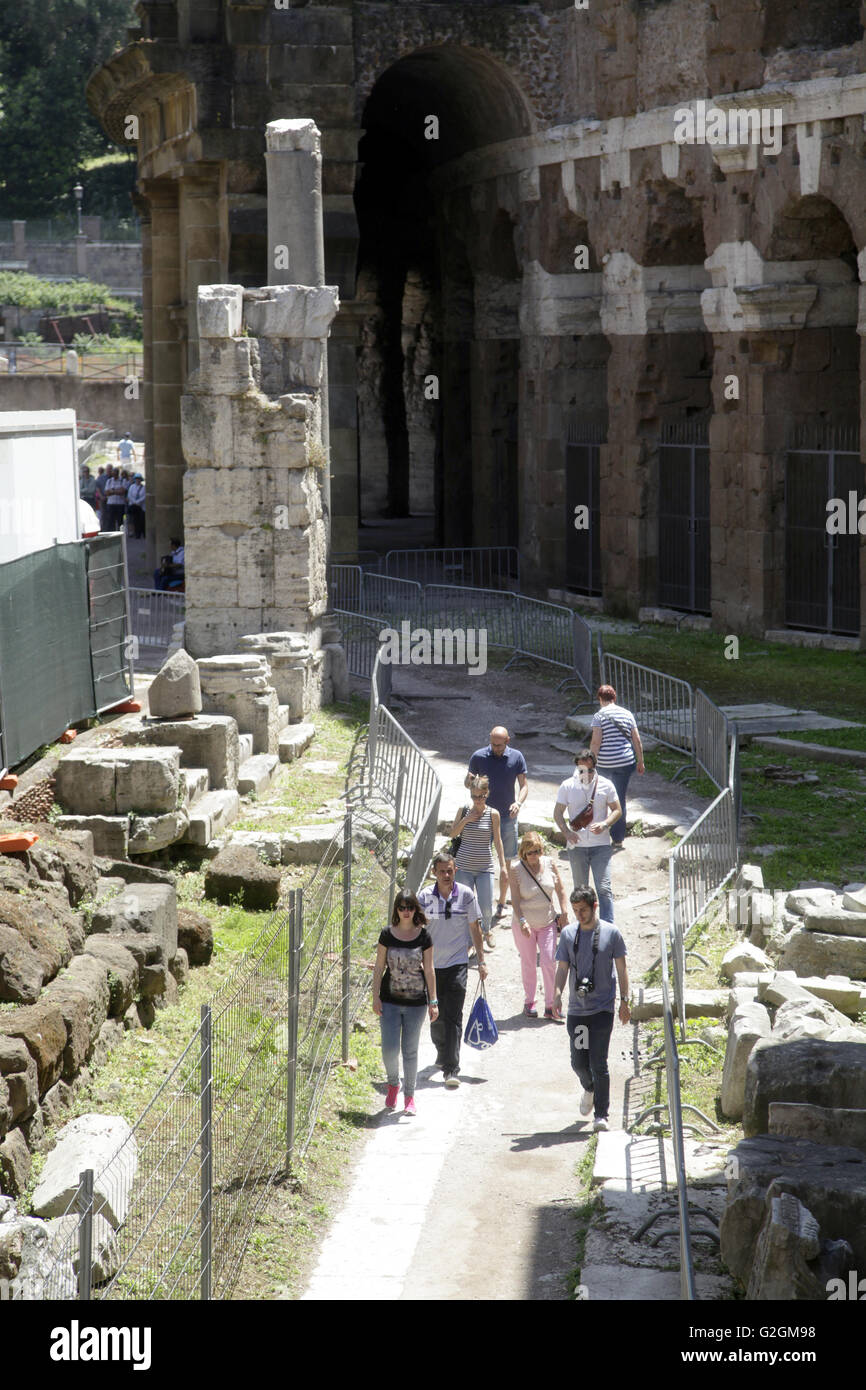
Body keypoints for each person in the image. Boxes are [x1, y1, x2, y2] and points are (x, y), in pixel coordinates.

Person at [554, 885, 630, 1132]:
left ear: (595, 906)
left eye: (583, 910)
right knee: (579, 1061)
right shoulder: (567, 934)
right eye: (575, 910)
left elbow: (621, 969)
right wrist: (556, 994)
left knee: (599, 1062)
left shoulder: (612, 933)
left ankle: (602, 1115)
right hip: (578, 1011)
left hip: (602, 1009)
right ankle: (588, 1087)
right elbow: (563, 968)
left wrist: (625, 1002)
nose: (579, 915)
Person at [417, 852, 487, 1089]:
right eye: (442, 871)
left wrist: (482, 960)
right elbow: (416, 930)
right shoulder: (424, 897)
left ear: (455, 870)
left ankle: (451, 1068)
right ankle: (441, 1049)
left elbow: (475, 928)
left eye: (450, 870)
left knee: (454, 1015)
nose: (446, 875)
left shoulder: (466, 895)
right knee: (436, 1016)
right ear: (434, 873)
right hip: (431, 967)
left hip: (458, 963)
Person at [372, 891, 439, 1116]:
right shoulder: (386, 934)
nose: (406, 911)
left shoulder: (424, 937)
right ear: (396, 910)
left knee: (409, 1051)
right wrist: (375, 997)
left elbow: (429, 970)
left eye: (409, 907)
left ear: (415, 909)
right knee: (390, 1050)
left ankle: (409, 1096)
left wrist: (433, 1001)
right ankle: (393, 1084)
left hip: (416, 1003)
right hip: (389, 1001)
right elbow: (379, 967)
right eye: (401, 907)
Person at [467, 725, 528, 926]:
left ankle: (502, 902)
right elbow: (468, 784)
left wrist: (518, 803)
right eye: (493, 744)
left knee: (507, 863)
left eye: (499, 745)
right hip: (482, 816)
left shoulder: (517, 757)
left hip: (507, 818)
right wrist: (470, 781)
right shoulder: (478, 756)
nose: (496, 748)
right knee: (480, 859)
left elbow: (524, 785)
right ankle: (478, 905)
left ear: (507, 741)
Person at [553, 749, 621, 923]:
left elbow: (617, 810)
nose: (586, 774)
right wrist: (566, 833)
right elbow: (558, 813)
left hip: (601, 844)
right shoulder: (567, 785)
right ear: (577, 768)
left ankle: (607, 926)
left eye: (590, 770)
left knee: (604, 888)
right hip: (577, 847)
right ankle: (584, 924)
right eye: (582, 770)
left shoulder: (606, 784)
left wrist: (605, 823)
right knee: (580, 890)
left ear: (595, 768)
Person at [508, 831, 569, 1020]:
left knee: (549, 961)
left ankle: (551, 1004)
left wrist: (564, 911)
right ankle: (530, 1001)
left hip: (547, 921)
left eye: (536, 851)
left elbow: (560, 890)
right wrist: (522, 921)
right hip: (524, 923)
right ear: (523, 853)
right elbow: (516, 900)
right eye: (529, 853)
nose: (534, 856)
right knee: (528, 963)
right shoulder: (516, 869)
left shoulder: (550, 863)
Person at [451, 774, 506, 951]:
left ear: (487, 793)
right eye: (474, 796)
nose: (478, 800)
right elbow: (452, 833)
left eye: (481, 796)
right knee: (464, 906)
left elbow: (497, 841)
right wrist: (466, 820)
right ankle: (469, 942)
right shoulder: (464, 809)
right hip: (464, 866)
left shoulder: (493, 814)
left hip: (485, 867)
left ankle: (486, 930)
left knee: (486, 906)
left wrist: (503, 866)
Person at [589, 685, 645, 851]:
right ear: (614, 698)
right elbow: (637, 740)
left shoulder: (599, 716)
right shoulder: (627, 714)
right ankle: (618, 839)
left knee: (601, 797)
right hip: (625, 762)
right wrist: (640, 761)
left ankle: (600, 834)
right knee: (619, 799)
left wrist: (591, 763)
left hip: (605, 763)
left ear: (600, 699)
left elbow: (595, 742)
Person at [103, 466, 128, 532]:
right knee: (110, 521)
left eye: (115, 473)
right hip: (111, 503)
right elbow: (106, 492)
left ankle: (121, 535)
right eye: (113, 473)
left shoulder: (123, 480)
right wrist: (116, 491)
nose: (114, 475)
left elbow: (122, 491)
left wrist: (112, 491)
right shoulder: (109, 481)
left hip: (120, 504)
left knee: (120, 521)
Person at [126, 473, 146, 538]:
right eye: (136, 479)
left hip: (141, 507)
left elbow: (144, 496)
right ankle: (136, 533)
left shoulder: (143, 487)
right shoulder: (132, 487)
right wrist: (134, 502)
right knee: (134, 520)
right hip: (133, 506)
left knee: (141, 520)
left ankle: (142, 533)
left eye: (139, 479)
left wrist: (138, 502)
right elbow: (129, 495)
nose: (138, 480)